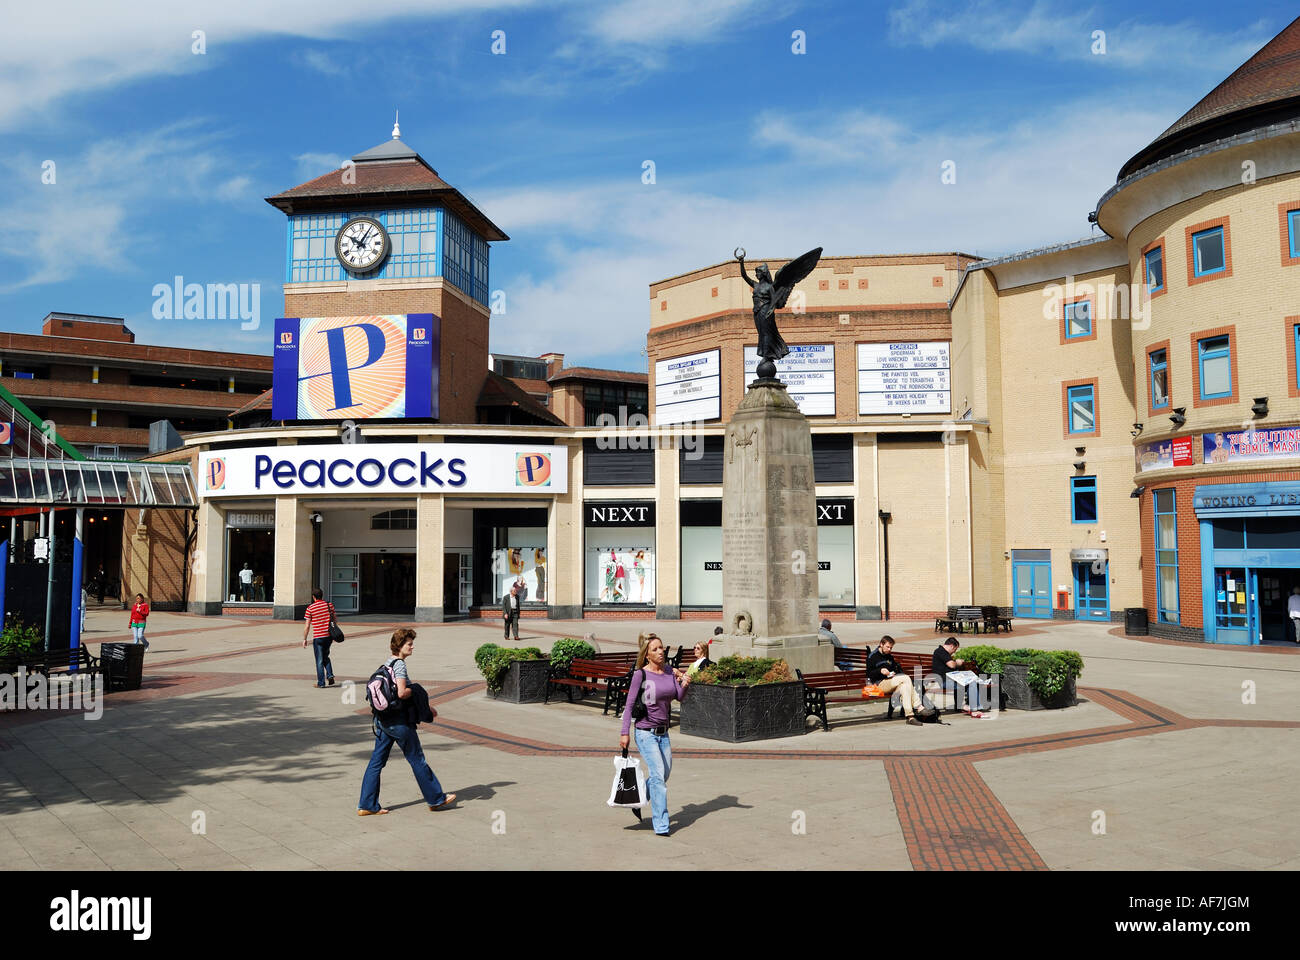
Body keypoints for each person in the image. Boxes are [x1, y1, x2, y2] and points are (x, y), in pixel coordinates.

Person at [358, 628, 456, 816]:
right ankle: (436, 799)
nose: (412, 647)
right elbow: (402, 693)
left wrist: (426, 707)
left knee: (376, 762)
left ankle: (367, 804)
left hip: (383, 721)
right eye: (409, 644)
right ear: (400, 646)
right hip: (399, 722)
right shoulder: (400, 665)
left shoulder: (387, 663)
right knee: (416, 758)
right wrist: (417, 691)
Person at [620, 634, 690, 836]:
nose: (661, 652)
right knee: (658, 776)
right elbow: (629, 705)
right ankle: (662, 825)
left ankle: (638, 797)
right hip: (645, 732)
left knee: (664, 774)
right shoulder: (640, 675)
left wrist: (685, 684)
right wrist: (625, 733)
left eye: (661, 648)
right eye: (655, 649)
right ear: (647, 655)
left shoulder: (669, 671)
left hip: (664, 733)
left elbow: (678, 696)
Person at [867, 635, 925, 725]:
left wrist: (893, 672)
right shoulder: (872, 656)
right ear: (881, 644)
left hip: (891, 682)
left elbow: (894, 668)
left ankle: (910, 717)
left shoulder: (889, 656)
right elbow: (868, 674)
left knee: (905, 687)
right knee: (906, 678)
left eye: (891, 647)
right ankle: (919, 707)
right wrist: (880, 671)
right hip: (878, 685)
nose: (889, 649)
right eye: (887, 647)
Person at [931, 637, 985, 717]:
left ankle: (970, 707)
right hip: (944, 682)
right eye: (955, 650)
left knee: (972, 681)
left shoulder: (943, 652)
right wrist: (957, 662)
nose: (954, 652)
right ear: (952, 646)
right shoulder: (941, 651)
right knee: (971, 683)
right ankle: (974, 709)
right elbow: (952, 665)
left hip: (949, 680)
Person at [301, 587, 336, 688]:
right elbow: (334, 620)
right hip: (328, 636)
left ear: (313, 597)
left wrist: (304, 639)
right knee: (325, 657)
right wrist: (333, 633)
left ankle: (321, 682)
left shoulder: (310, 608)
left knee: (319, 660)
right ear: (322, 595)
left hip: (318, 637)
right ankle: (330, 675)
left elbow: (307, 626)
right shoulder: (329, 605)